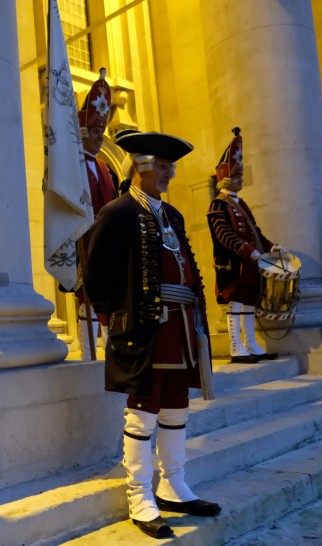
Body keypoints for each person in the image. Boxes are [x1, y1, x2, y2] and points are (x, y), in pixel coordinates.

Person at [84, 130, 220, 539]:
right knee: (144, 409)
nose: (169, 173)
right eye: (161, 165)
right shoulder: (118, 211)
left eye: (170, 166)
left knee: (176, 406)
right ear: (140, 165)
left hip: (181, 324)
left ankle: (173, 485)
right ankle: (139, 494)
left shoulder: (172, 214)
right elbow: (96, 274)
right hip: (144, 327)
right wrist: (114, 321)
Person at [206, 128, 281, 363]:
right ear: (226, 179)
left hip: (249, 263)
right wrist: (250, 253)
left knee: (249, 302)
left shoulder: (242, 204)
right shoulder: (218, 205)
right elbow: (224, 236)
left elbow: (254, 231)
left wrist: (271, 247)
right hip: (233, 265)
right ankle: (236, 346)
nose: (241, 180)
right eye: (237, 177)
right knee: (235, 304)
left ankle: (250, 344)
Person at [75, 69, 118, 360]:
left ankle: (109, 349)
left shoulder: (104, 168)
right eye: (94, 131)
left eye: (101, 132)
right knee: (86, 298)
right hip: (83, 237)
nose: (99, 137)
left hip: (107, 242)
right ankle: (88, 352)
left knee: (108, 296)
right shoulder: (73, 164)